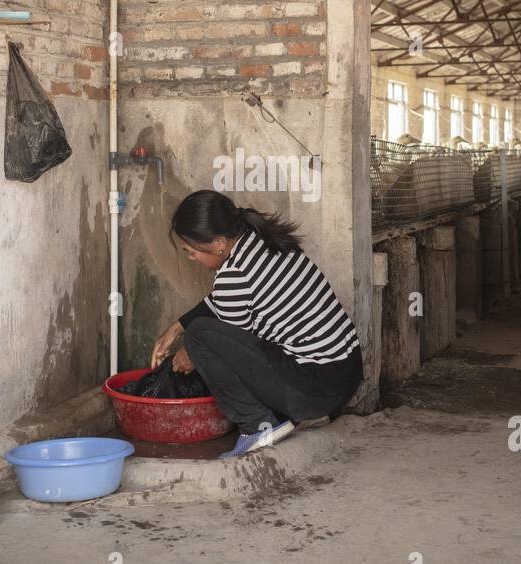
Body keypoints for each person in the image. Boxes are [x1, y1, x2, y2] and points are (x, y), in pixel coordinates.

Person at [151, 190, 363, 459]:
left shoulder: (233, 273)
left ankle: (258, 425)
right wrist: (176, 326)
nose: (191, 258)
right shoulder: (259, 240)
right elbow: (224, 302)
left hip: (316, 388)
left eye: (192, 252)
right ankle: (305, 414)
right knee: (196, 331)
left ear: (218, 243)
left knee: (198, 337)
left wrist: (189, 352)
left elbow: (228, 343)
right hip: (345, 374)